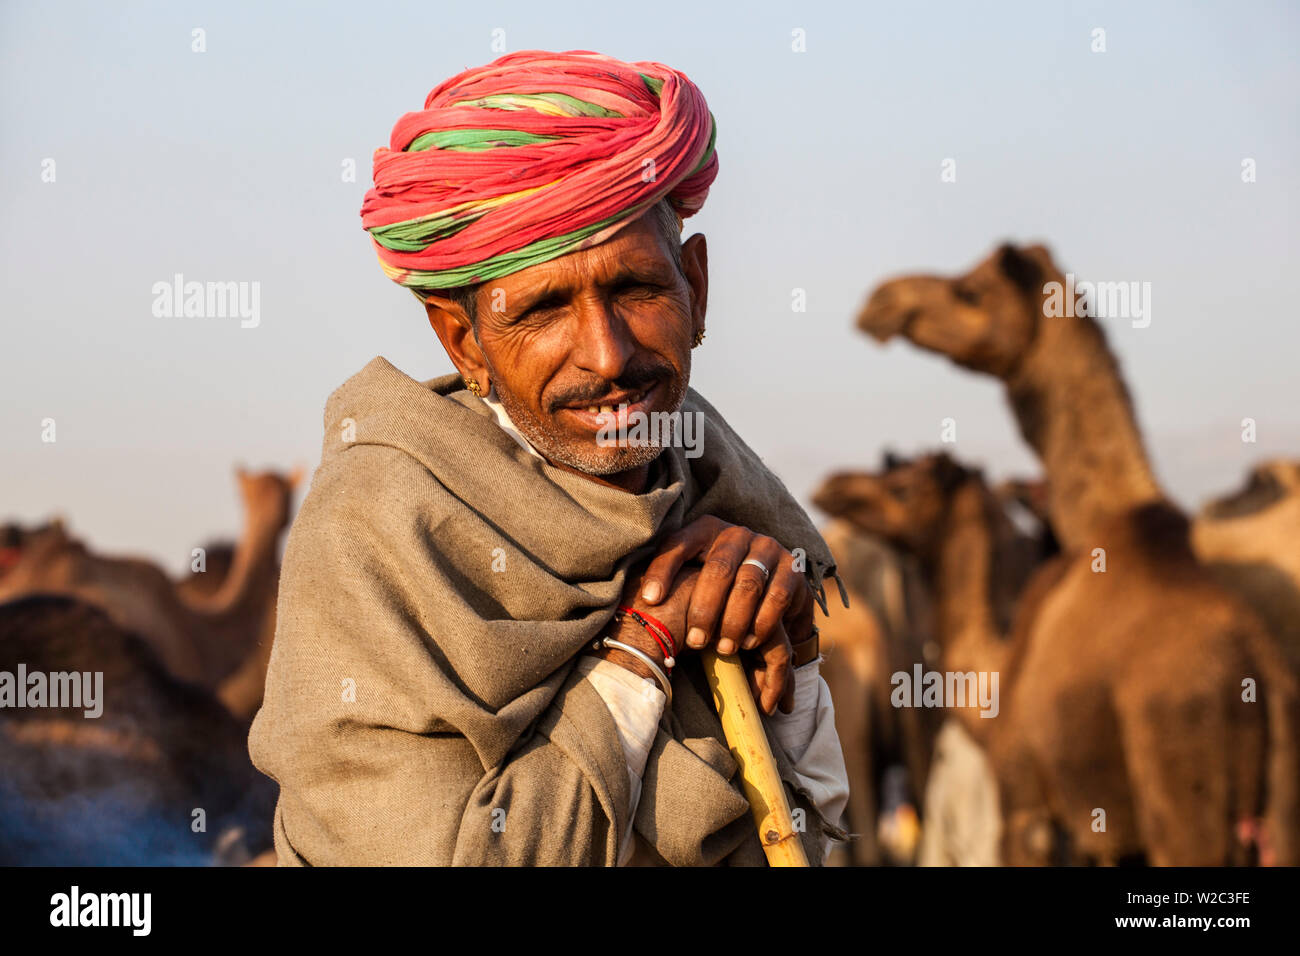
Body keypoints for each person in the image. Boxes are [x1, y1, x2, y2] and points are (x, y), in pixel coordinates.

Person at [249, 49, 850, 866]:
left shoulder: (718, 493)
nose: (606, 355)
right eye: (544, 309)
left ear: (696, 288)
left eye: (637, 289)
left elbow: (812, 832)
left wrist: (790, 645)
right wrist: (644, 644)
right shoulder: (383, 525)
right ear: (464, 341)